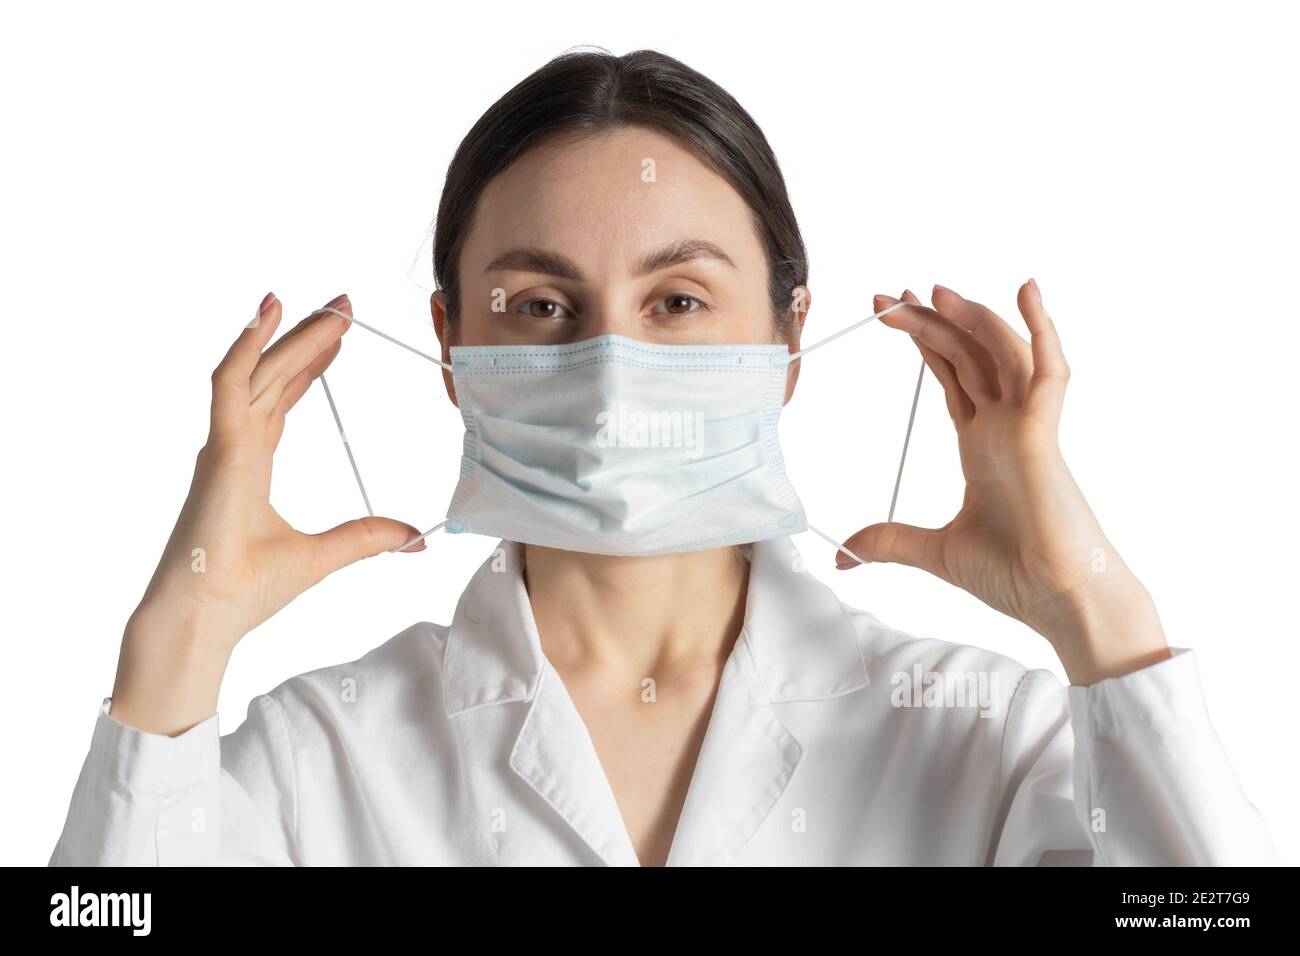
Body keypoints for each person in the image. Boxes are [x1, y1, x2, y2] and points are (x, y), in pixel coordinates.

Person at [49, 48, 1276, 867]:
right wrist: (180, 637)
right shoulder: (318, 761)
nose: (611, 367)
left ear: (790, 335)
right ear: (450, 343)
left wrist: (1095, 612)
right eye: (538, 306)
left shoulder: (979, 739)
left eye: (679, 302)